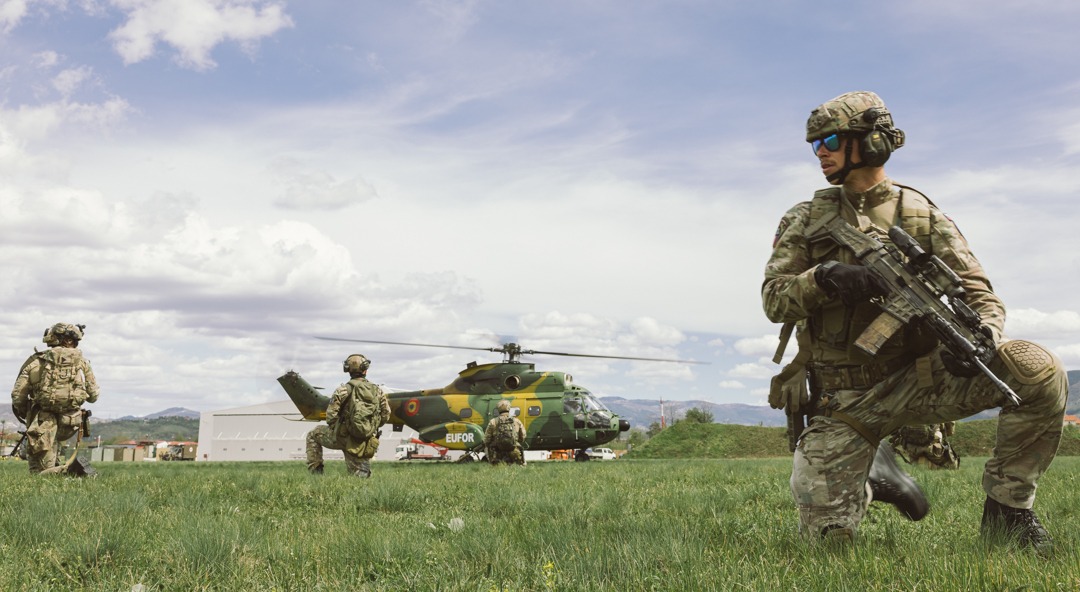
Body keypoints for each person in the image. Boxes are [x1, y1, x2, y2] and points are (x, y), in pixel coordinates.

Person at [763, 91, 1068, 551]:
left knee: (1037, 369)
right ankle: (874, 465)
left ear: (869, 143)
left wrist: (984, 334)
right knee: (827, 545)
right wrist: (823, 279)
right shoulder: (805, 219)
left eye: (829, 139)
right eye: (815, 144)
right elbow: (773, 300)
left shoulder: (921, 214)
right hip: (844, 398)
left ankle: (1009, 512)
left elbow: (980, 294)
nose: (820, 151)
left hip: (920, 380)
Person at [10, 323, 100, 475]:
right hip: (71, 423)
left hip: (43, 422)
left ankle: (72, 470)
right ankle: (69, 470)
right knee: (55, 458)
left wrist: (28, 414)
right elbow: (93, 396)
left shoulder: (36, 362)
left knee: (39, 472)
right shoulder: (83, 363)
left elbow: (18, 396)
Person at [305, 354, 390, 477]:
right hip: (364, 441)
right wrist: (368, 429)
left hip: (342, 437)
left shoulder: (342, 390)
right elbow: (386, 415)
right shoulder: (378, 391)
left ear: (348, 370)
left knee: (313, 434)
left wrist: (341, 430)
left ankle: (316, 474)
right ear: (365, 369)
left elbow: (331, 416)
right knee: (360, 480)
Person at [890, 422, 960, 470]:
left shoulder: (907, 404)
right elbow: (951, 431)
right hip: (933, 447)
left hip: (911, 447)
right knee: (952, 465)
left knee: (917, 468)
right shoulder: (940, 405)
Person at [484, 399, 526, 465]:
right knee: (520, 450)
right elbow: (523, 436)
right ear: (509, 408)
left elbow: (487, 439)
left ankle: (493, 464)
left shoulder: (493, 421)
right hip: (514, 451)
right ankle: (522, 464)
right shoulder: (516, 421)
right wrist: (516, 441)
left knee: (487, 449)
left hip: (497, 452)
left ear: (498, 409)